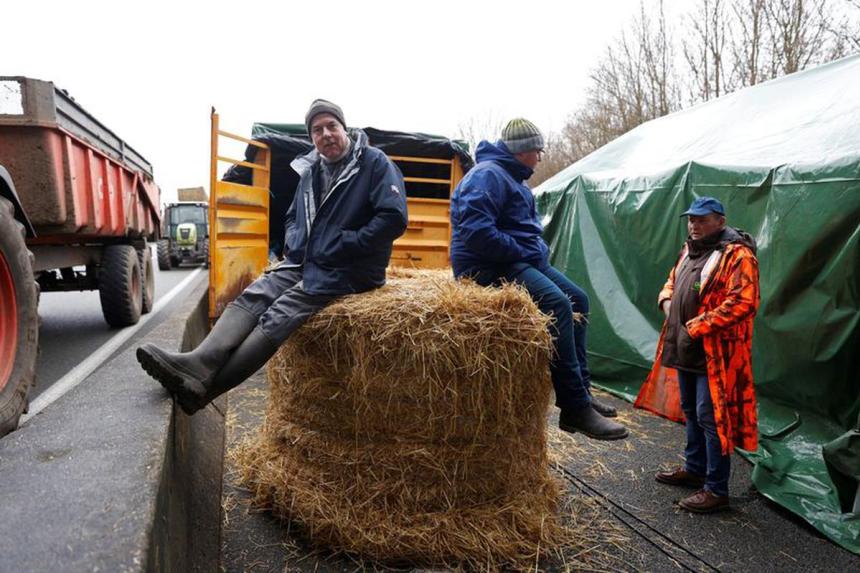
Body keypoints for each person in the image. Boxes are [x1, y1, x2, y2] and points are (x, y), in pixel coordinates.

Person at [137, 99, 408, 414]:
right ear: (312, 138)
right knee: (256, 292)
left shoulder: (374, 163)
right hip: (307, 261)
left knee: (280, 313)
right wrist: (295, 241)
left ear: (343, 128)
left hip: (350, 268)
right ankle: (199, 362)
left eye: (332, 126)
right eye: (317, 130)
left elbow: (393, 218)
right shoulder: (310, 172)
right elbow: (292, 216)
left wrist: (347, 243)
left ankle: (206, 389)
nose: (326, 135)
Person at [449, 118, 628, 441]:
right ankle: (573, 407)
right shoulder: (488, 175)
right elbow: (475, 231)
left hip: (516, 258)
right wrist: (521, 250)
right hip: (486, 265)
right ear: (522, 151)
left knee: (579, 301)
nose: (541, 157)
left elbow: (521, 226)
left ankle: (582, 391)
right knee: (557, 304)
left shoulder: (513, 177)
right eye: (537, 150)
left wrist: (536, 249)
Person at [637, 197, 760, 513]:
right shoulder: (689, 250)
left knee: (711, 417)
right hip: (685, 348)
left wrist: (697, 326)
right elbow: (671, 282)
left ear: (720, 222)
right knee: (691, 409)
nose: (694, 225)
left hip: (715, 353)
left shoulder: (738, 255)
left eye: (702, 220)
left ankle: (716, 489)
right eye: (691, 219)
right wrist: (666, 302)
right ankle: (695, 470)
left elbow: (744, 302)